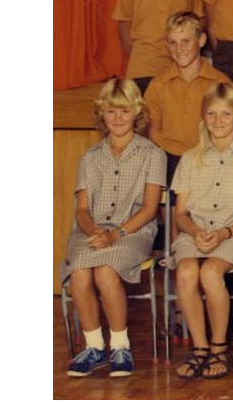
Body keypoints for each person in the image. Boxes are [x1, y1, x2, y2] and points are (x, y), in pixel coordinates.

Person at [63, 79, 165, 378]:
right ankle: (94, 346)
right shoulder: (91, 157)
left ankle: (121, 346)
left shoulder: (152, 154)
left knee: (106, 270)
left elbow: (148, 209)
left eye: (124, 111)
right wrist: (94, 230)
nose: (118, 118)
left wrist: (114, 234)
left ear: (136, 113)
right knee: (80, 272)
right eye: (111, 111)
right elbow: (81, 209)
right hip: (93, 231)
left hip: (133, 231)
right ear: (102, 115)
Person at [169, 82, 233, 379]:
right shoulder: (190, 158)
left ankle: (218, 347)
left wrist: (224, 233)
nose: (218, 121)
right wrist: (196, 231)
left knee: (211, 272)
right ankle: (199, 347)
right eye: (211, 114)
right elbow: (180, 213)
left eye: (226, 114)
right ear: (204, 118)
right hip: (195, 233)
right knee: (186, 271)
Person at [145, 12, 231, 201]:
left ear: (201, 40)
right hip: (170, 160)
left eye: (186, 41)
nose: (179, 48)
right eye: (173, 42)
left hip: (209, 157)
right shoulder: (158, 84)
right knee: (174, 216)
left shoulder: (219, 82)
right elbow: (153, 132)